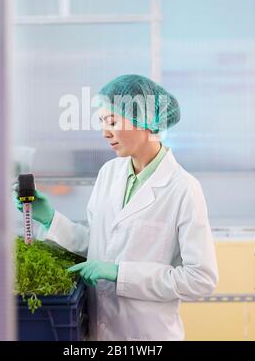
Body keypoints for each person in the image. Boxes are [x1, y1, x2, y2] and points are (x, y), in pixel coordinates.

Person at [15, 74, 218, 341]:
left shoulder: (183, 189)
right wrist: (50, 219)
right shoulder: (108, 173)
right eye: (101, 122)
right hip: (98, 332)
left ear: (145, 120)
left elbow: (199, 279)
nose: (105, 132)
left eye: (112, 121)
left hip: (147, 336)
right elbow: (99, 245)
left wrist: (120, 273)